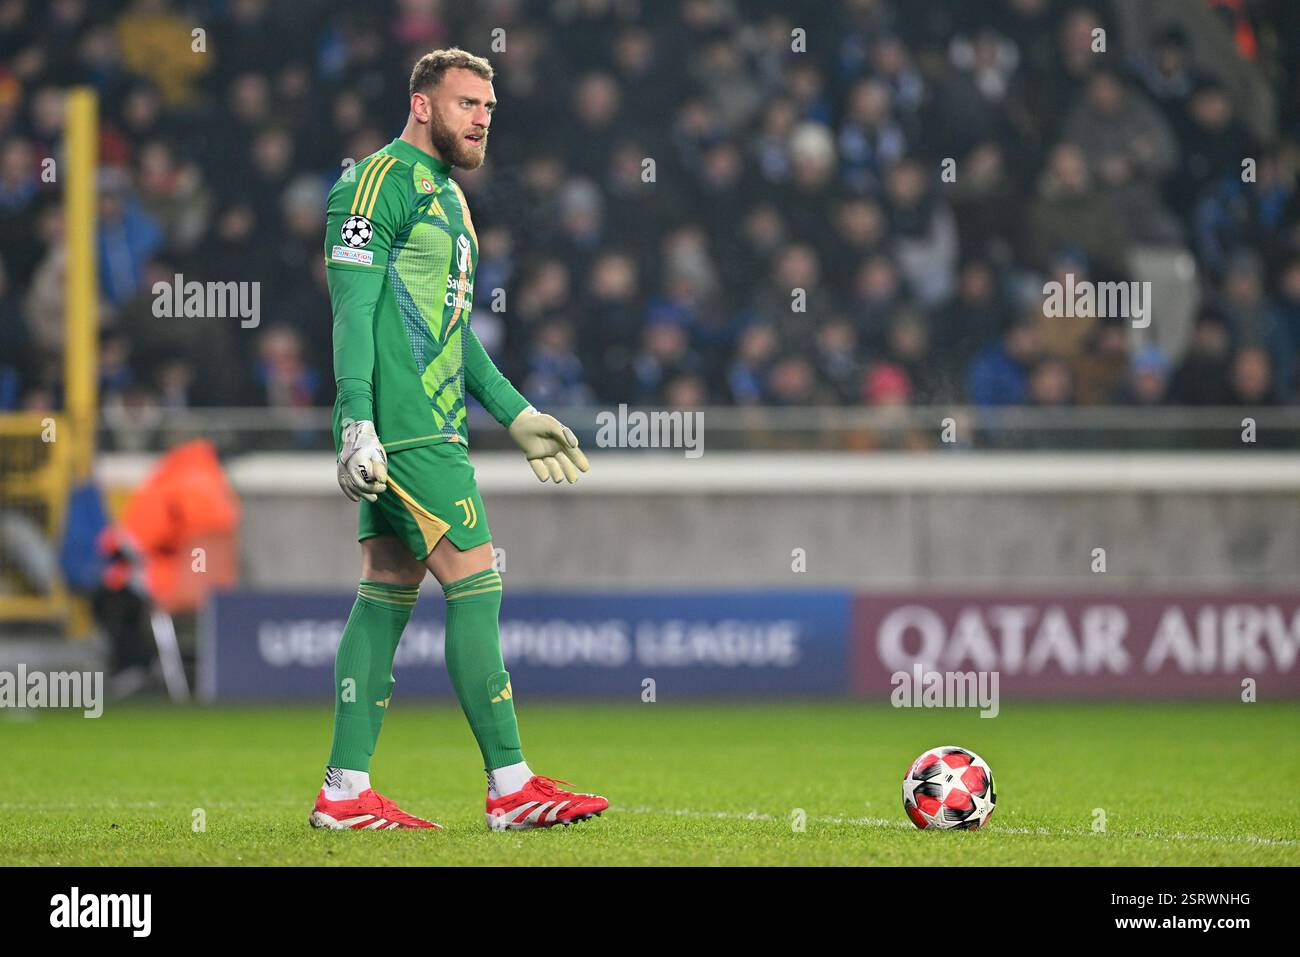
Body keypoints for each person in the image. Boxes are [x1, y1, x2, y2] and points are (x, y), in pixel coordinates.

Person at [313, 48, 607, 831]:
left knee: (385, 594)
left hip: (432, 425)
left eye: (489, 106)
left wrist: (515, 413)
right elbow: (350, 307)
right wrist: (356, 422)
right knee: (477, 583)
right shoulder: (374, 182)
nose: (481, 118)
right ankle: (511, 785)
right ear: (422, 105)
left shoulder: (451, 200)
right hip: (405, 430)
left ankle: (345, 791)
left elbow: (455, 335)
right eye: (467, 103)